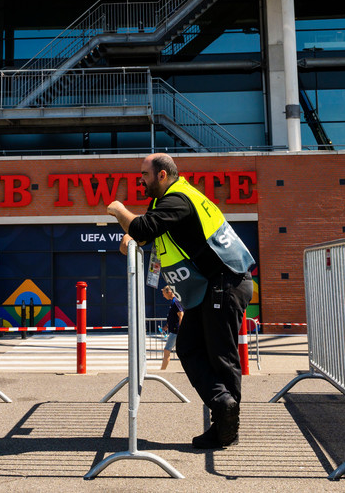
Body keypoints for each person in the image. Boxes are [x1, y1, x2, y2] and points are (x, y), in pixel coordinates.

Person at [107, 153, 255, 449]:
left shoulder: (178, 199)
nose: (141, 180)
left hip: (224, 283)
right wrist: (133, 237)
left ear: (162, 175)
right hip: (208, 287)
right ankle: (222, 407)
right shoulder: (175, 200)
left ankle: (226, 426)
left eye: (145, 175)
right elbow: (147, 234)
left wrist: (118, 210)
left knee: (221, 356)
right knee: (187, 346)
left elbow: (142, 228)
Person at [159, 285, 183, 371]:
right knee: (181, 351)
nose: (163, 295)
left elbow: (181, 315)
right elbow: (174, 317)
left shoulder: (175, 302)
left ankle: (162, 371)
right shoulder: (174, 301)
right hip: (175, 330)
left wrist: (181, 330)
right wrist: (167, 326)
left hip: (175, 332)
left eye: (163, 293)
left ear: (169, 292)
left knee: (166, 351)